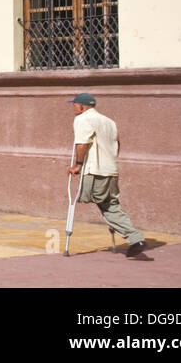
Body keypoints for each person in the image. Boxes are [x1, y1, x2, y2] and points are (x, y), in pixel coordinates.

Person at [66, 92, 146, 257]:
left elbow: (82, 144)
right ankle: (134, 238)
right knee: (111, 203)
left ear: (81, 106)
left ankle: (135, 238)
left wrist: (78, 165)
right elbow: (118, 144)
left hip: (95, 170)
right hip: (111, 170)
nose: (73, 107)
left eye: (74, 104)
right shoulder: (109, 122)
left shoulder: (82, 119)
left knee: (106, 205)